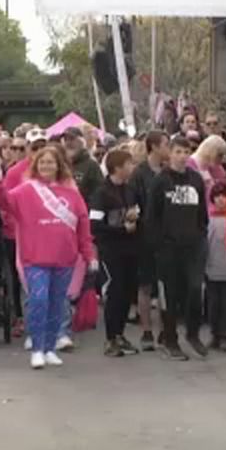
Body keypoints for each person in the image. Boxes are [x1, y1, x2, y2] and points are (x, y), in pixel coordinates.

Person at [0, 146, 97, 370]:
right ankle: (38, 348)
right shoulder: (25, 191)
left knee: (57, 305)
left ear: (59, 165)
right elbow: (3, 202)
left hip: (64, 259)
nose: (46, 166)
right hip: (35, 259)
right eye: (42, 163)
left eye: (51, 162)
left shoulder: (72, 194)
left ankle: (50, 347)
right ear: (35, 166)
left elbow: (83, 226)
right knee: (39, 301)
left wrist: (89, 254)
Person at [147, 136, 210, 360]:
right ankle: (170, 339)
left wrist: (200, 235)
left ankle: (193, 333)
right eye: (178, 151)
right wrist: (158, 244)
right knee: (169, 296)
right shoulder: (160, 181)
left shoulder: (196, 179)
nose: (183, 156)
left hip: (192, 247)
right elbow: (152, 216)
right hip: (167, 249)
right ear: (170, 153)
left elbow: (202, 213)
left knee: (195, 290)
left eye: (186, 152)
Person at [89, 149, 142, 357]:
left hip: (130, 249)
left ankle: (120, 334)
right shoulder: (101, 193)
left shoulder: (130, 190)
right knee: (115, 293)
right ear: (117, 167)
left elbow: (136, 211)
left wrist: (134, 217)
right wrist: (121, 229)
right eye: (129, 164)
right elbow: (95, 224)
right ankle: (110, 338)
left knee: (128, 292)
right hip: (110, 251)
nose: (132, 168)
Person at [129, 130, 171, 350]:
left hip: (168, 237)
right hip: (145, 236)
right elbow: (132, 203)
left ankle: (166, 329)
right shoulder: (139, 174)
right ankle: (146, 330)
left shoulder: (169, 171)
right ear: (154, 146)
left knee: (166, 285)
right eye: (166, 144)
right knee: (145, 285)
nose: (169, 148)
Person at [203, 181, 226, 352]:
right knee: (213, 304)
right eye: (217, 196)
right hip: (212, 268)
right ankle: (214, 334)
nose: (222, 200)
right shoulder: (208, 220)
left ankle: (225, 335)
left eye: (225, 196)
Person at [63, 126, 104, 202]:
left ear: (81, 142)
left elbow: (100, 194)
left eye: (72, 139)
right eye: (66, 140)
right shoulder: (62, 165)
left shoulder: (91, 165)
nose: (68, 143)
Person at [189, 134, 226, 199]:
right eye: (220, 155)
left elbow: (225, 184)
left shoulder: (216, 166)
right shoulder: (189, 165)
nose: (223, 158)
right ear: (211, 152)